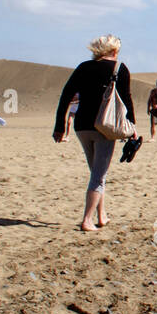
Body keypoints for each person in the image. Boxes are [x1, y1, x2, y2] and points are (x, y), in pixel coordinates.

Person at [53, 35, 136, 232]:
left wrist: (59, 126)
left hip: (82, 126)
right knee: (99, 175)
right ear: (114, 51)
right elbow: (126, 99)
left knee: (96, 173)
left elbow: (66, 95)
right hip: (104, 126)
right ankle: (87, 220)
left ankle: (101, 215)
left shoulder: (83, 67)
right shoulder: (119, 68)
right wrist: (131, 126)